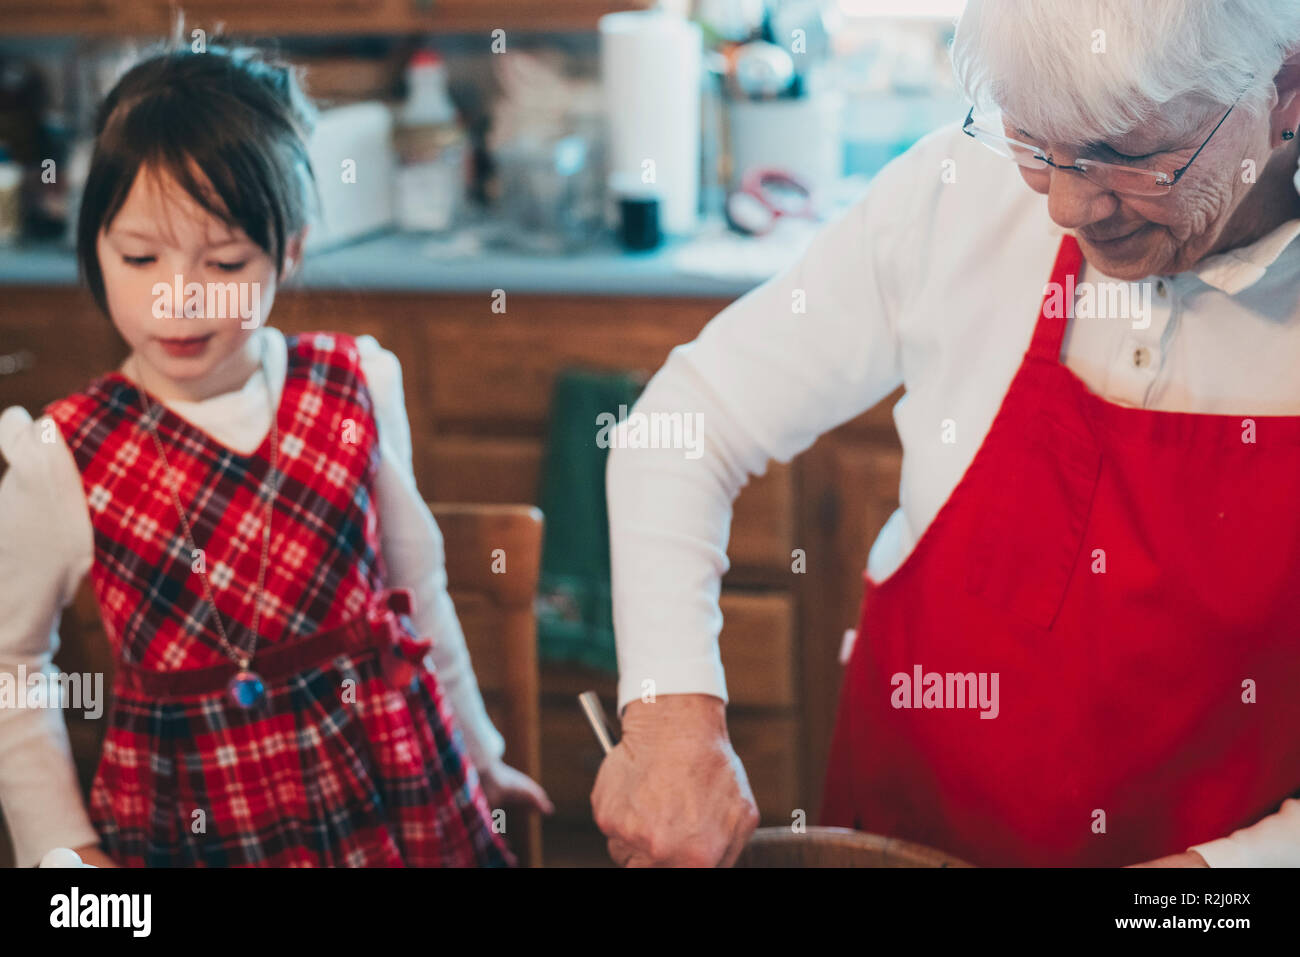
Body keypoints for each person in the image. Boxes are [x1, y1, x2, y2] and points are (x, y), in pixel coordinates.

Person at [595, 0, 1300, 867]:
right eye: (1036, 143)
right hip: (900, 823)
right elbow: (686, 424)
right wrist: (672, 717)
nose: (1071, 205)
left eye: (1126, 153)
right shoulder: (956, 194)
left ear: (1286, 90)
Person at [0, 42, 550, 868]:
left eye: (223, 262)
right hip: (193, 817)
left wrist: (479, 749)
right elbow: (11, 662)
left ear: (287, 252)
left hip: (391, 783)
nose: (178, 296)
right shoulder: (62, 454)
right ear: (94, 247)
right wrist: (60, 847)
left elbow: (416, 588)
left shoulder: (358, 381)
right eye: (140, 257)